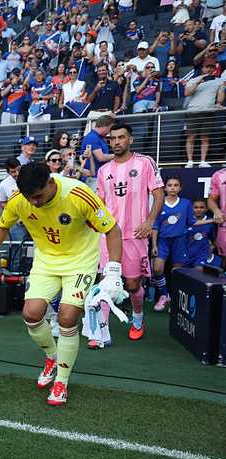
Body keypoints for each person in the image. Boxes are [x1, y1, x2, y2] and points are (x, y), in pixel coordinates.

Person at [0, 163, 123, 406]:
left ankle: (61, 381)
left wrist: (114, 272)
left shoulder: (79, 194)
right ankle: (53, 357)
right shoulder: (19, 199)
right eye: (29, 198)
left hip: (80, 261)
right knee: (31, 314)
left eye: (38, 196)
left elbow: (113, 230)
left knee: (67, 317)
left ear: (51, 183)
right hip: (46, 260)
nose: (33, 203)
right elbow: (2, 226)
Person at [93, 122, 164, 347]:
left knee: (133, 285)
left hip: (135, 235)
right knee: (106, 283)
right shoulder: (103, 171)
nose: (116, 142)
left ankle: (137, 319)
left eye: (121, 138)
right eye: (112, 139)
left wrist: (150, 221)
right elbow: (99, 203)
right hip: (108, 236)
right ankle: (100, 331)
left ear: (130, 140)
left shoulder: (145, 163)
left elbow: (159, 194)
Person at [150, 176, 192, 312]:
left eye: (176, 185)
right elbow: (155, 226)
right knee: (157, 269)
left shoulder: (186, 203)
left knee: (177, 272)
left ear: (180, 188)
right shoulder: (159, 203)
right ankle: (164, 294)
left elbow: (191, 222)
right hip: (162, 241)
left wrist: (212, 221)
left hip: (179, 241)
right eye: (170, 185)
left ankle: (175, 300)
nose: (173, 187)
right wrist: (154, 245)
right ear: (165, 188)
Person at [184, 198, 218, 270]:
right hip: (186, 252)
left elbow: (213, 238)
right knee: (182, 274)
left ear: (206, 209)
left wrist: (213, 246)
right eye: (195, 207)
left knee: (198, 271)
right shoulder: (186, 220)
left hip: (201, 254)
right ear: (191, 208)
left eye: (201, 207)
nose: (198, 209)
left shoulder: (210, 222)